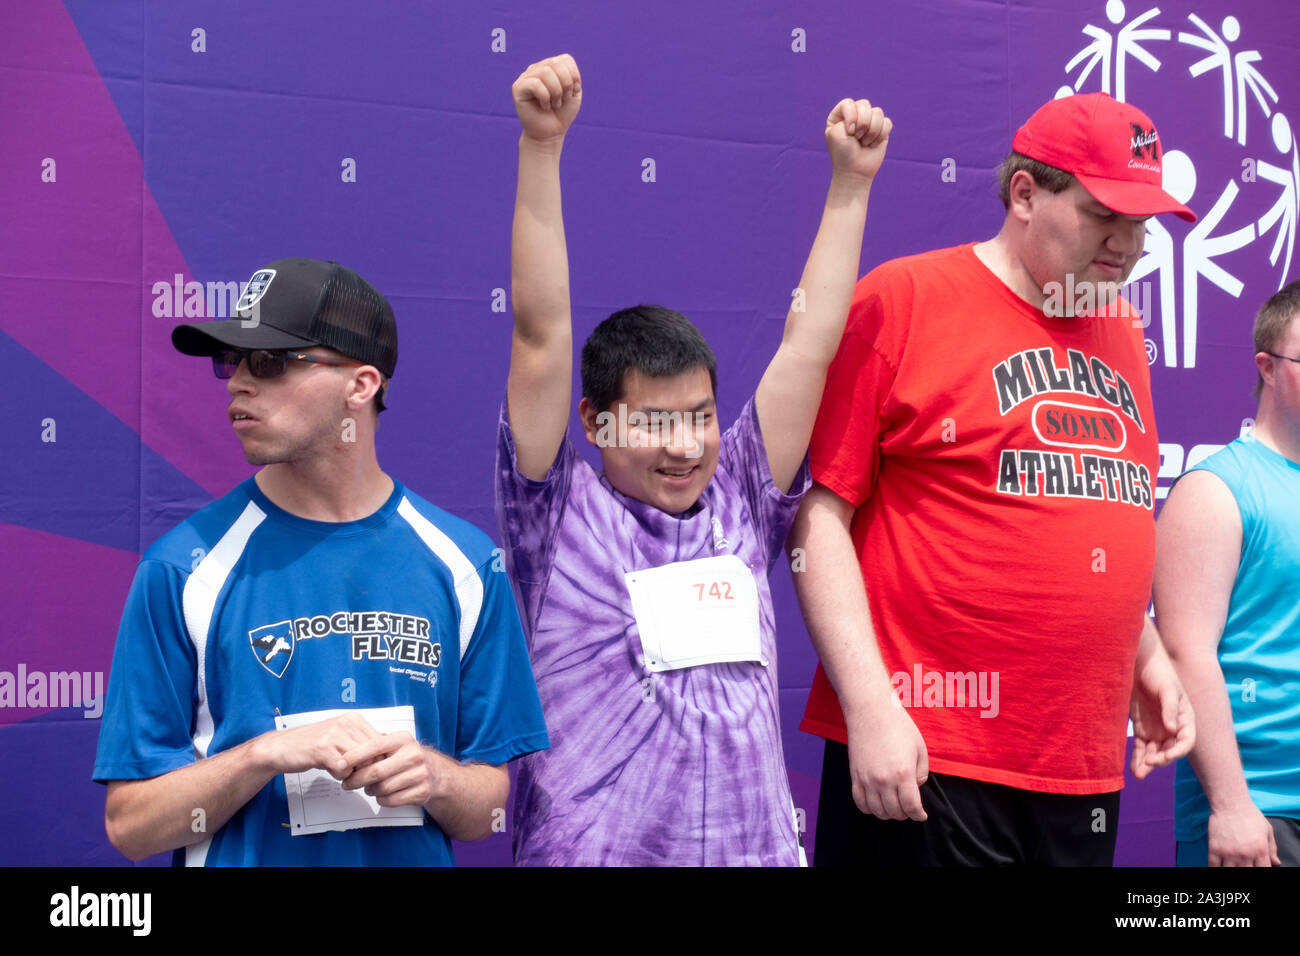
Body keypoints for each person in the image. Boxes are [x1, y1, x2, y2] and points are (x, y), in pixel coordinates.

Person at [497, 54, 890, 865]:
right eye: (653, 423)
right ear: (595, 424)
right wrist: (542, 148)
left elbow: (808, 347)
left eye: (701, 418)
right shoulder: (555, 510)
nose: (684, 447)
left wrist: (851, 186)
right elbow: (540, 337)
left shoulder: (744, 490)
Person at [789, 92, 1196, 866]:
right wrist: (871, 707)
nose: (1130, 243)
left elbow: (1088, 516)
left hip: (1077, 768)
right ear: (1024, 193)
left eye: (1144, 222)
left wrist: (1147, 659)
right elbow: (819, 518)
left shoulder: (1123, 330)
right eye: (1105, 211)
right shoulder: (902, 301)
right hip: (929, 755)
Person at [93, 257, 548, 866]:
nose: (237, 384)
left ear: (360, 386)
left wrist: (435, 778)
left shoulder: (466, 563)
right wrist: (265, 755)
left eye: (271, 363)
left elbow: (488, 809)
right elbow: (131, 827)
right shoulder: (182, 568)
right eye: (232, 362)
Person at [1157, 281, 1300, 867]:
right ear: (1267, 367)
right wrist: (1232, 805)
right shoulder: (1216, 489)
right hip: (1261, 815)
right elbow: (1187, 652)